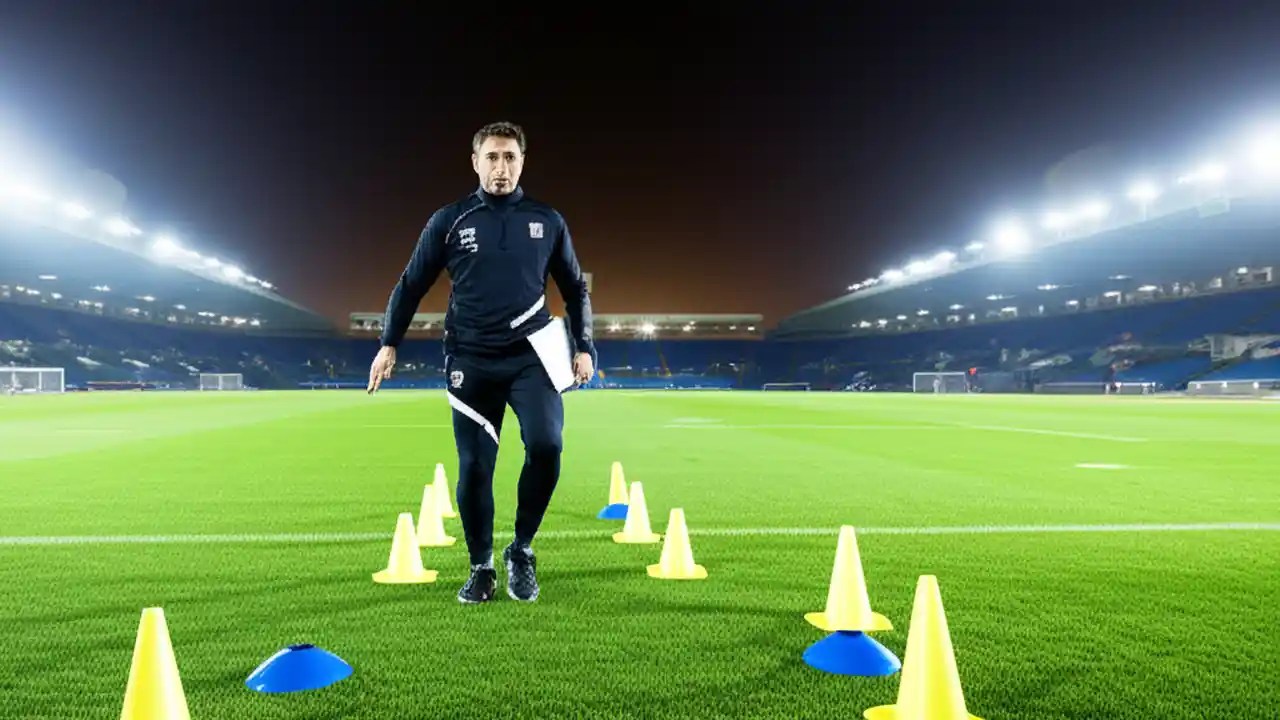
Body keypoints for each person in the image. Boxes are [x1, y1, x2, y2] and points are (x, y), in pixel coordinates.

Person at [367, 121, 596, 604]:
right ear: (475, 162)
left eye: (510, 157)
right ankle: (481, 566)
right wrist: (389, 342)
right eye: (492, 157)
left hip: (533, 354)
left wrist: (584, 345)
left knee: (548, 445)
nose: (501, 167)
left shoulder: (547, 219)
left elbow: (574, 287)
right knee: (474, 466)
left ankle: (522, 549)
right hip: (470, 357)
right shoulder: (450, 220)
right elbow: (410, 284)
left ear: (522, 162)